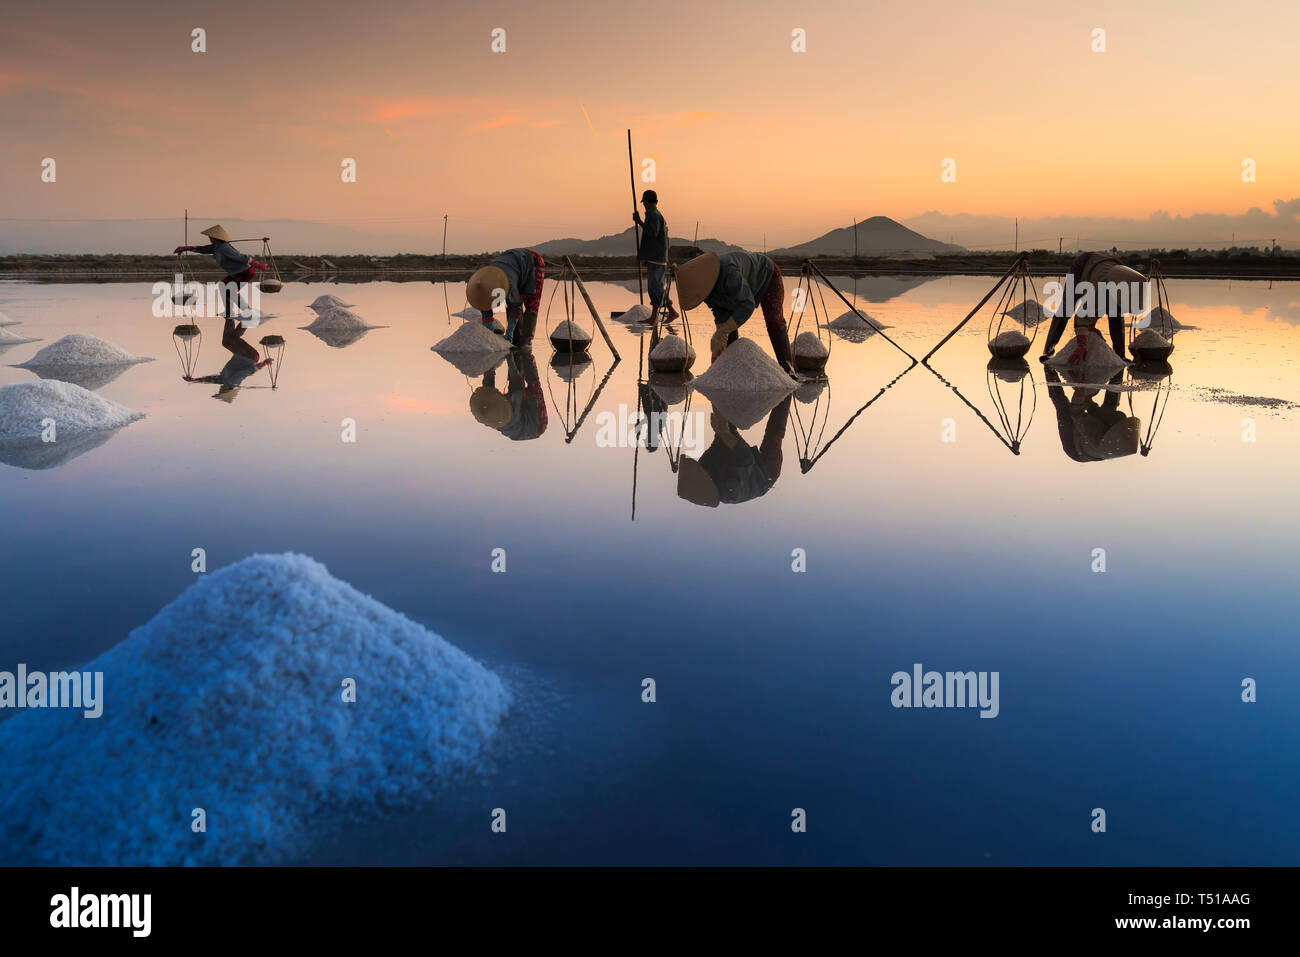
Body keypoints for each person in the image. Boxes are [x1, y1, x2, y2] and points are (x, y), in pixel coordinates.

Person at [675, 251, 795, 374]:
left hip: (767, 274)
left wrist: (724, 330)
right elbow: (719, 310)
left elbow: (747, 305)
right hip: (740, 288)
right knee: (727, 328)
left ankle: (788, 369)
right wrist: (720, 336)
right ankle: (732, 370)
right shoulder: (704, 289)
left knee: (774, 321)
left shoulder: (729, 272)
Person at [677, 396, 791, 507]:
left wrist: (719, 420)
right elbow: (746, 459)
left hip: (738, 463)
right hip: (766, 474)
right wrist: (724, 433)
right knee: (774, 433)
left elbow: (719, 444)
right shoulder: (730, 491)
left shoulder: (703, 466)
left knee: (727, 424)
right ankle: (788, 390)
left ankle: (732, 388)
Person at [1040, 250, 1145, 363]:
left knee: (1116, 314)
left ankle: (1120, 355)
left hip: (1103, 268)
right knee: (1067, 308)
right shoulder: (1101, 290)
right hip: (1082, 266)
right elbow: (1082, 316)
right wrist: (1082, 344)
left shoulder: (1124, 282)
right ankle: (1048, 350)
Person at [173, 224, 271, 322]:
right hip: (236, 273)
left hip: (244, 272)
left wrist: (258, 265)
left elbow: (242, 257)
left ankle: (247, 312)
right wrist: (186, 248)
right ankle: (229, 312)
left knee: (230, 290)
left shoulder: (224, 248)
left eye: (211, 237)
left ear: (216, 238)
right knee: (223, 286)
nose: (210, 239)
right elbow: (203, 249)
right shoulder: (216, 247)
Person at [1043, 367, 1139, 461]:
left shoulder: (1095, 434)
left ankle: (1048, 370)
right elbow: (1097, 407)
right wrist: (1119, 367)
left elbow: (1076, 413)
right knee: (1110, 403)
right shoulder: (1118, 420)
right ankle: (1118, 370)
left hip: (1075, 449)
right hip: (1103, 441)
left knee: (1063, 407)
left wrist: (1080, 389)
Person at [465, 248, 545, 347]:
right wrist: (489, 329)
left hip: (532, 262)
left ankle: (526, 342)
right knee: (512, 300)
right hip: (511, 264)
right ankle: (516, 339)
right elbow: (486, 307)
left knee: (531, 303)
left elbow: (515, 305)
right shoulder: (483, 285)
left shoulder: (507, 282)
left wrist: (509, 331)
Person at [468, 349, 548, 440]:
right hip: (536, 426)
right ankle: (525, 351)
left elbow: (488, 377)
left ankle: (517, 352)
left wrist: (491, 358)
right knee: (533, 385)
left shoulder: (488, 407)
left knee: (515, 363)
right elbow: (517, 383)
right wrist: (510, 358)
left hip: (515, 425)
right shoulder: (511, 409)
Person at [632, 190, 677, 319]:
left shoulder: (653, 215)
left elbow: (652, 233)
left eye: (644, 202)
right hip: (656, 257)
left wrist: (639, 221)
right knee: (656, 287)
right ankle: (669, 312)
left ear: (647, 202)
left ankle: (655, 316)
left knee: (654, 288)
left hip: (657, 257)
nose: (644, 205)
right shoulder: (653, 214)